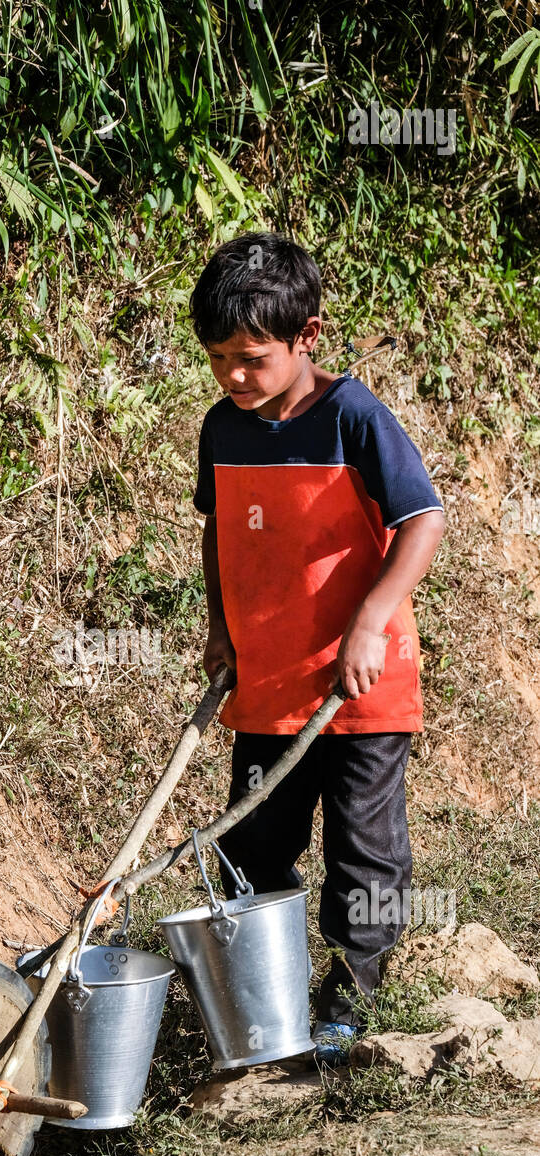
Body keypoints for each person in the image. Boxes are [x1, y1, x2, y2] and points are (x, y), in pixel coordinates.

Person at [190, 231, 445, 1064]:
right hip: (266, 683)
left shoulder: (354, 417)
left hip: (360, 687)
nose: (233, 375)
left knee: (362, 850)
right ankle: (267, 992)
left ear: (309, 337)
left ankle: (352, 989)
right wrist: (222, 627)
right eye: (219, 356)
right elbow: (221, 526)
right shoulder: (223, 428)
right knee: (251, 844)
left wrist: (371, 620)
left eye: (251, 357)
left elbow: (423, 518)